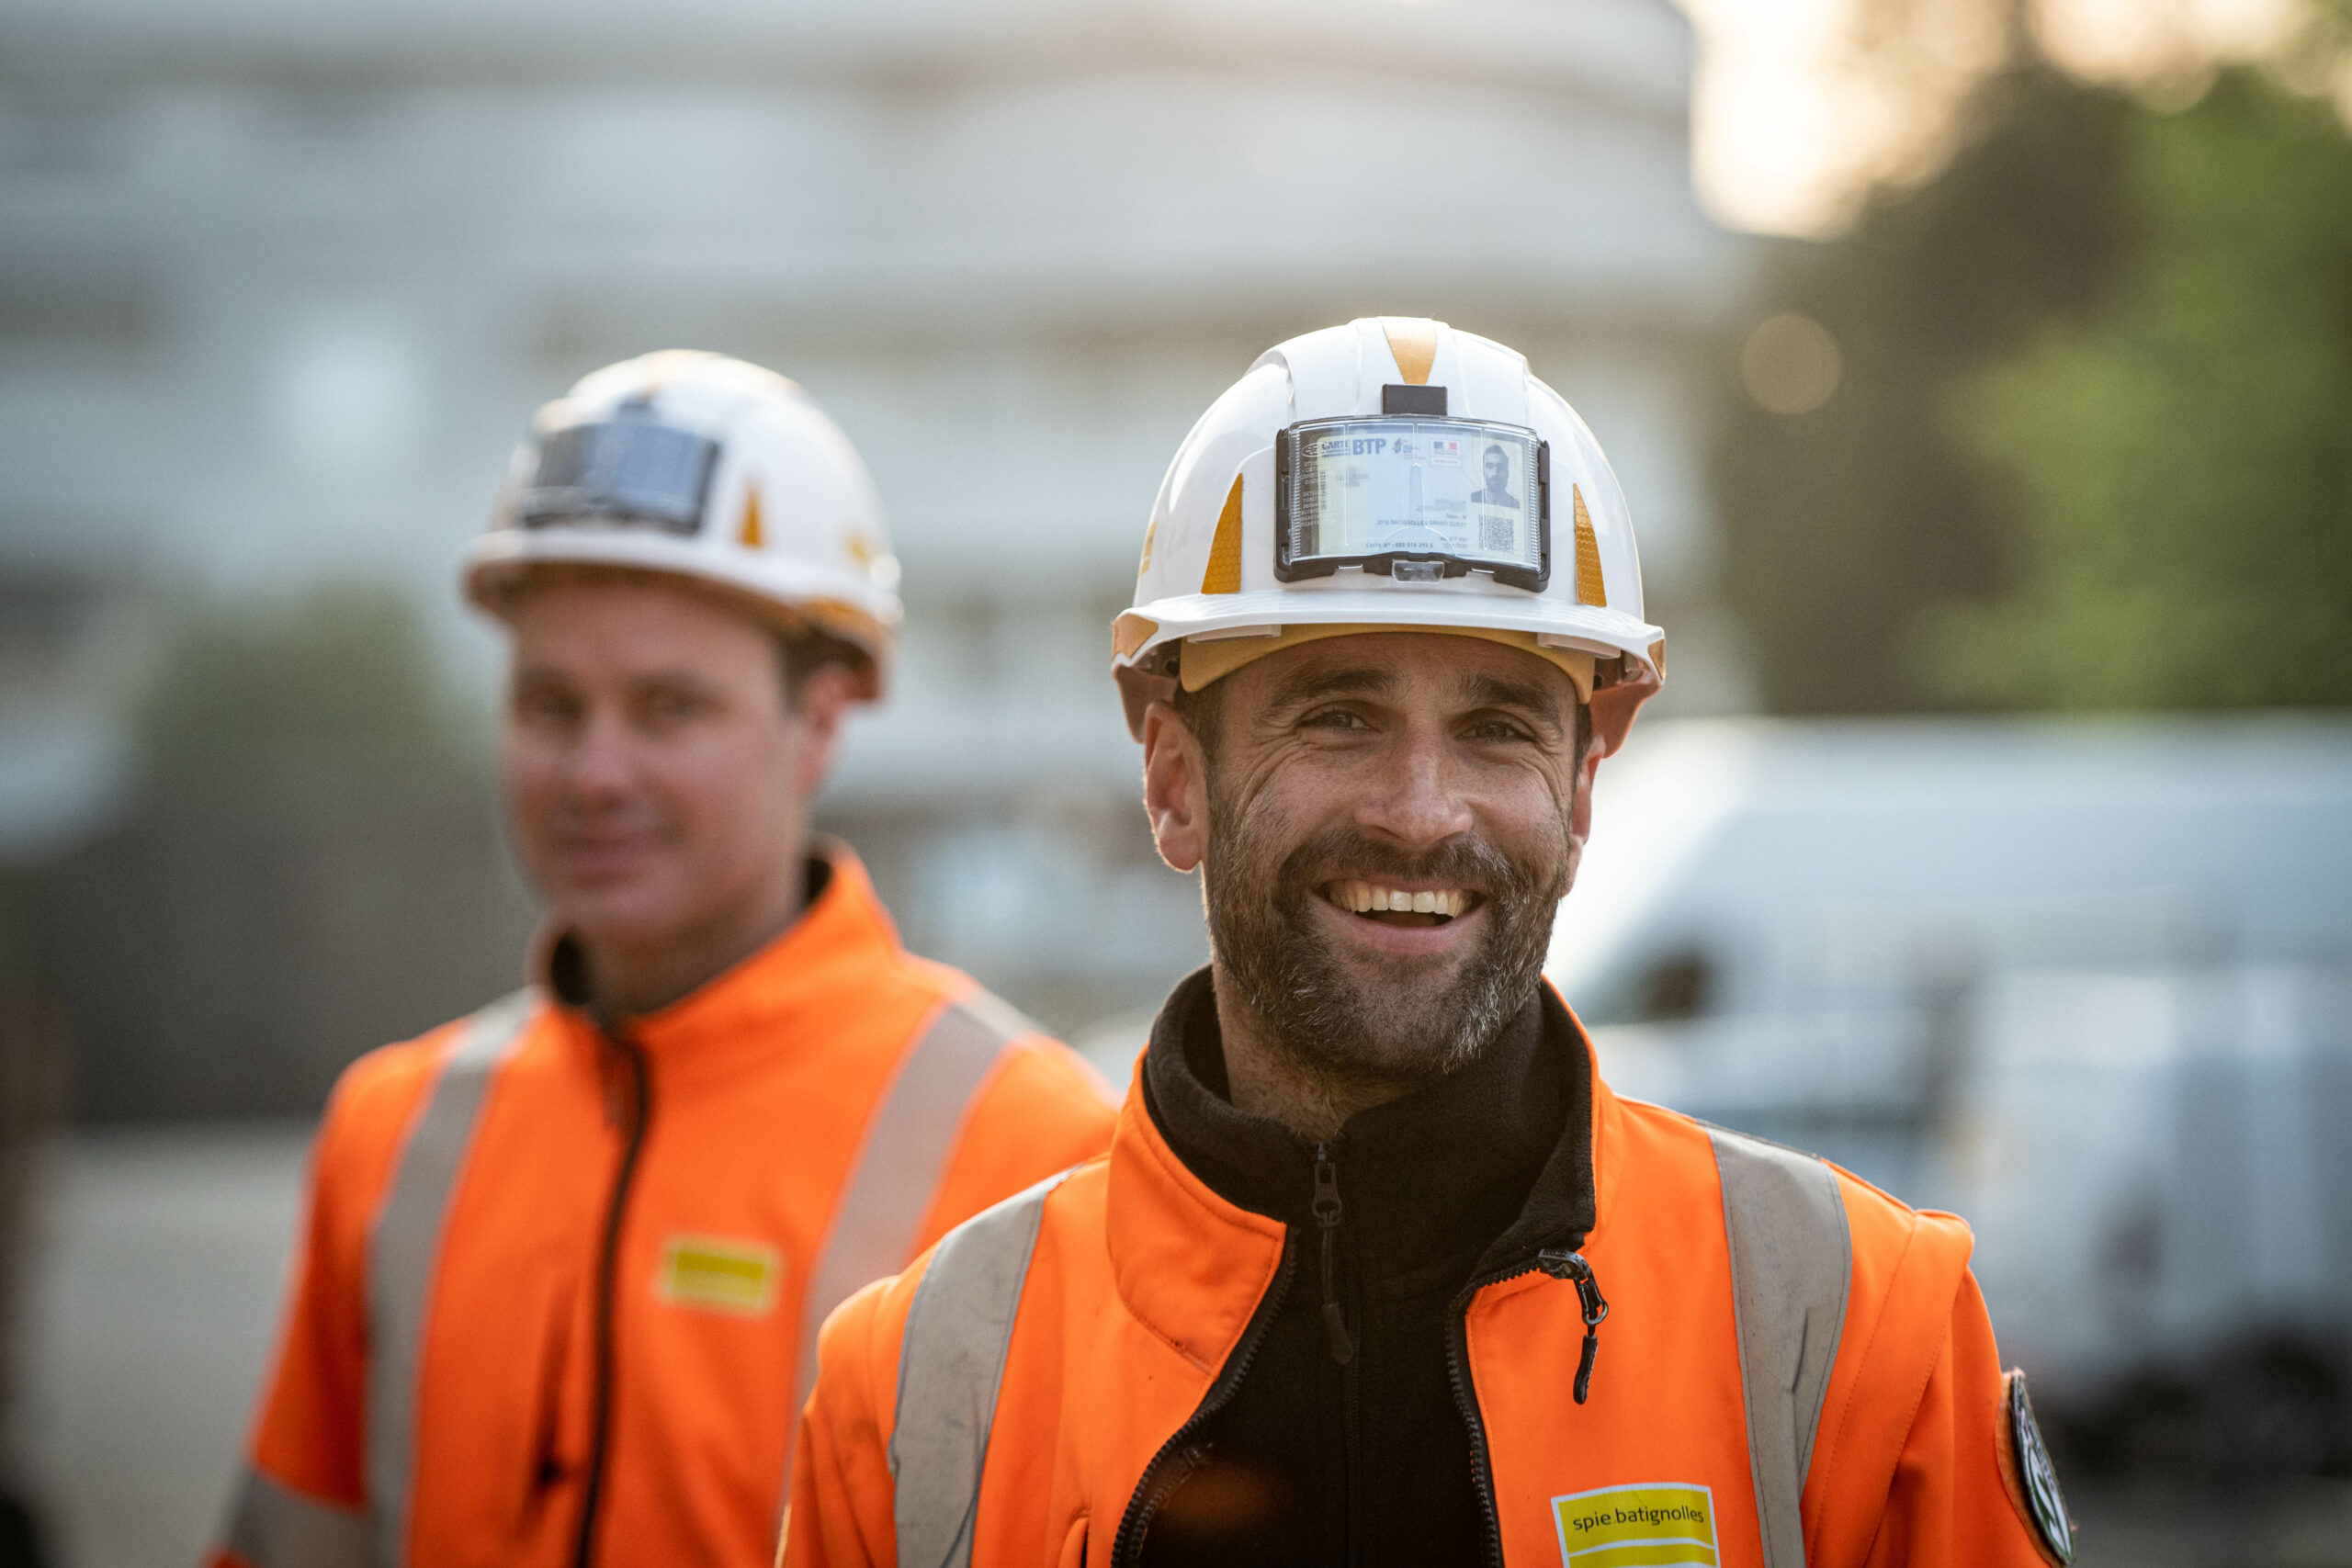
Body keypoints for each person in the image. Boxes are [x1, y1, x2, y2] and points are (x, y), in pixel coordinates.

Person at [783, 318, 2073, 1568]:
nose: (1420, 809)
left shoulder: (1858, 1329)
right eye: (1339, 714)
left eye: (1499, 724)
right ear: (1176, 778)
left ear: (1577, 795)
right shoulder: (914, 1392)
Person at [212, 352, 1116, 1568]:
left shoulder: (1038, 1147)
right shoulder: (394, 1131)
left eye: (669, 706)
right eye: (549, 705)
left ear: (824, 718)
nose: (595, 771)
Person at [1472, 440, 1519, 509]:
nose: (1495, 473)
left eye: (1500, 467)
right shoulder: (1472, 498)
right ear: (1483, 471)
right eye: (1490, 466)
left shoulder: (1516, 505)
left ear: (1507, 473)